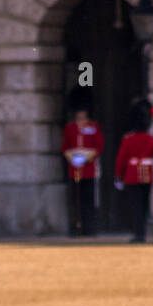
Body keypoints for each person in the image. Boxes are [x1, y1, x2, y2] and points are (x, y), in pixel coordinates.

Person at [114, 99, 153, 243]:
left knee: (136, 206)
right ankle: (142, 232)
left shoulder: (128, 139)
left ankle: (138, 234)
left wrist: (118, 176)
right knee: (144, 205)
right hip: (147, 174)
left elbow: (121, 159)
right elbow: (152, 154)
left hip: (132, 175)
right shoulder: (151, 139)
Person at [62, 88, 103, 236]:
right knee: (75, 199)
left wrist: (85, 158)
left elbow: (98, 146)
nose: (81, 114)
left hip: (88, 169)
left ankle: (89, 228)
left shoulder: (93, 127)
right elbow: (65, 147)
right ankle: (75, 227)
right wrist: (73, 159)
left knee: (88, 199)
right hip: (75, 170)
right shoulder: (70, 128)